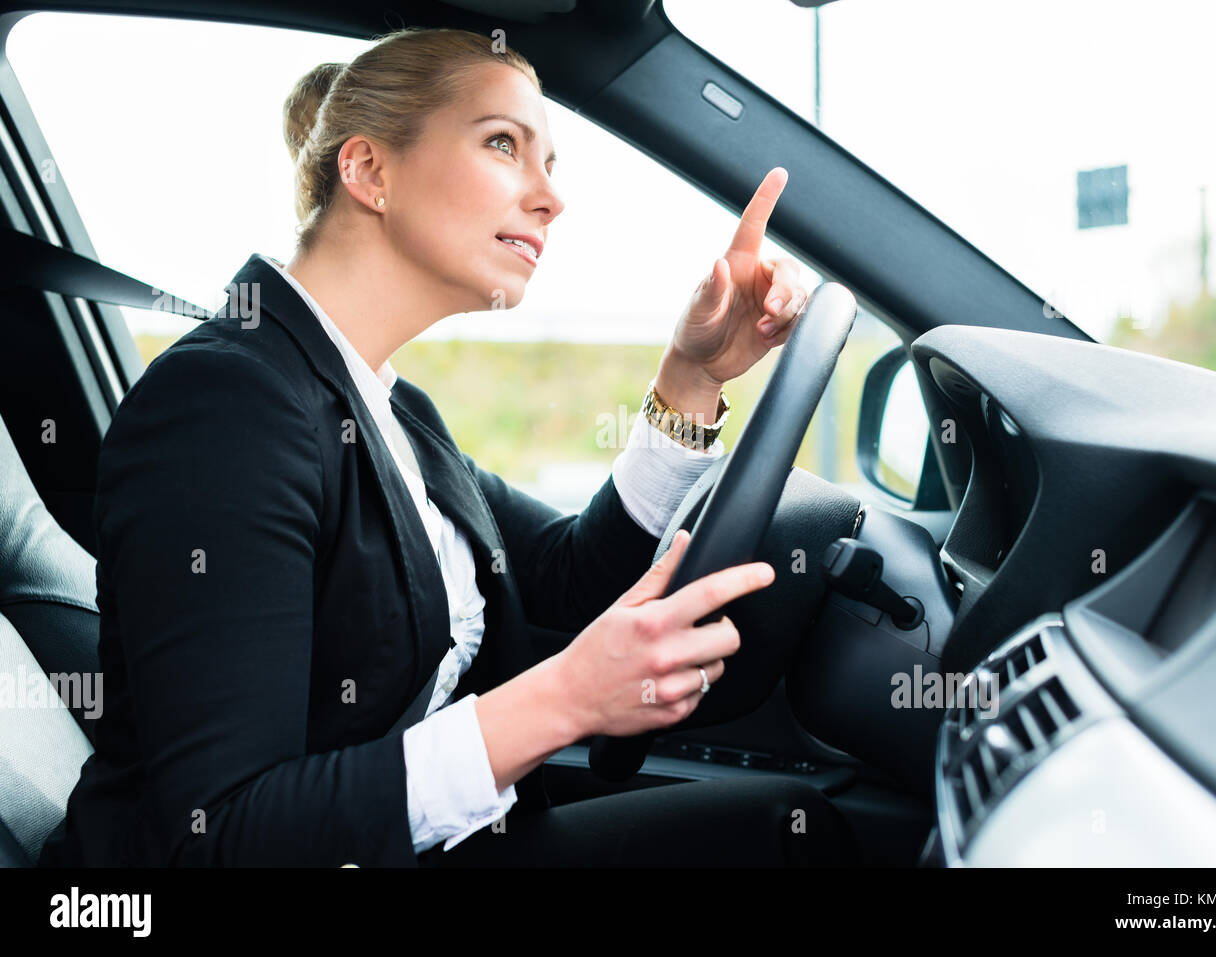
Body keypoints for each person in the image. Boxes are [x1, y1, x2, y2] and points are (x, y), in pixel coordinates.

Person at [39, 26, 858, 867]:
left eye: (551, 166)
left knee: (785, 830)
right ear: (369, 171)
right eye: (505, 144)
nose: (550, 198)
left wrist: (690, 376)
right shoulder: (223, 408)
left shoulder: (394, 410)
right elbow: (220, 834)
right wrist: (565, 700)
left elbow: (567, 583)